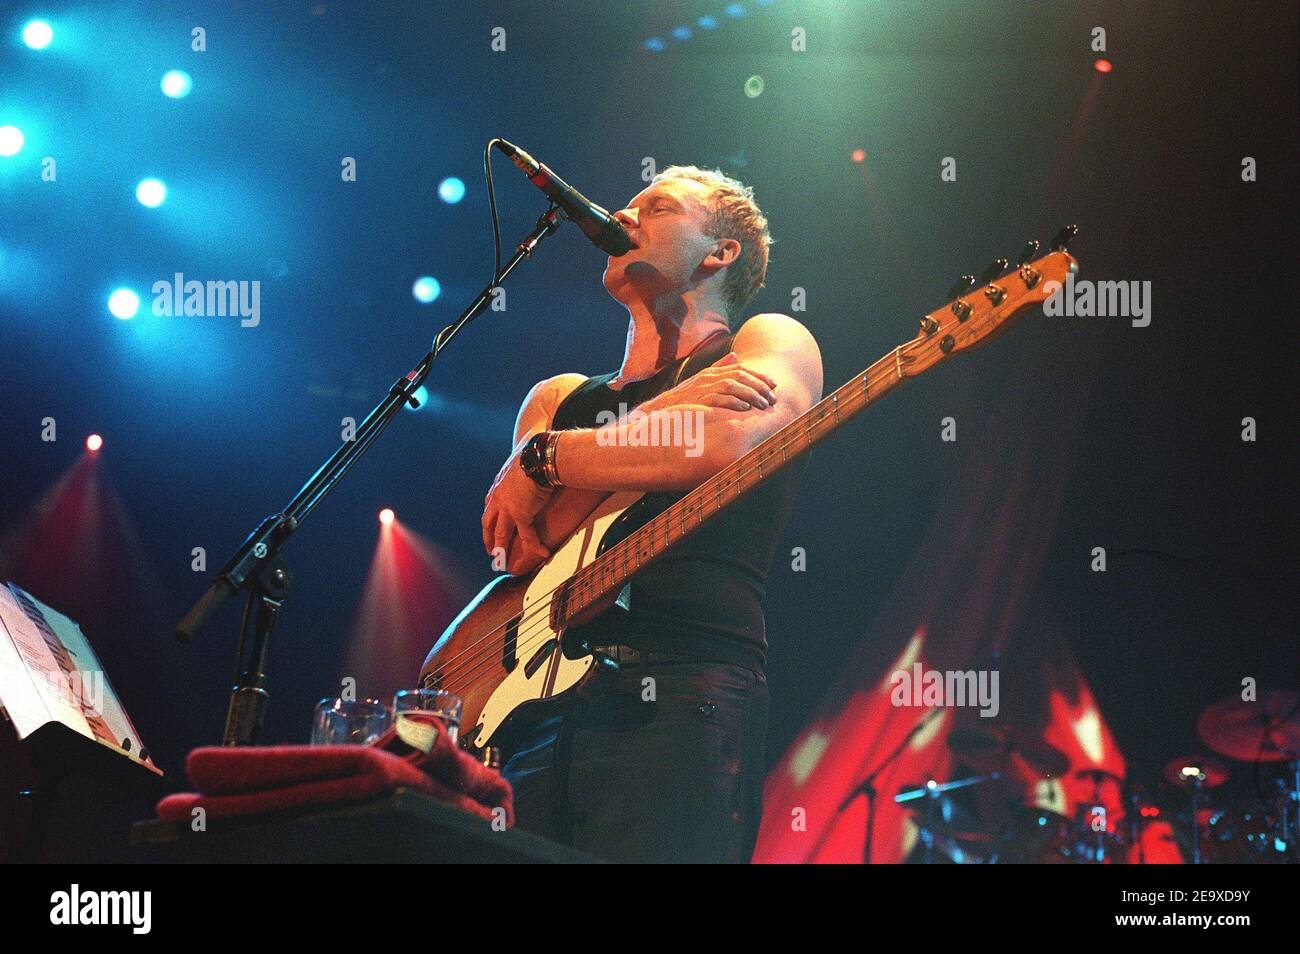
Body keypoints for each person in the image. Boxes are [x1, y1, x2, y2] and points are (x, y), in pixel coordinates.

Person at [479, 165, 823, 862]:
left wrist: (546, 462)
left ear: (720, 252)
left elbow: (727, 445)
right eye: (627, 204)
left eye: (656, 205)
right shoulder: (557, 399)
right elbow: (518, 547)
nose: (624, 215)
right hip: (534, 713)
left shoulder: (770, 342)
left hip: (682, 690)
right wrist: (663, 412)